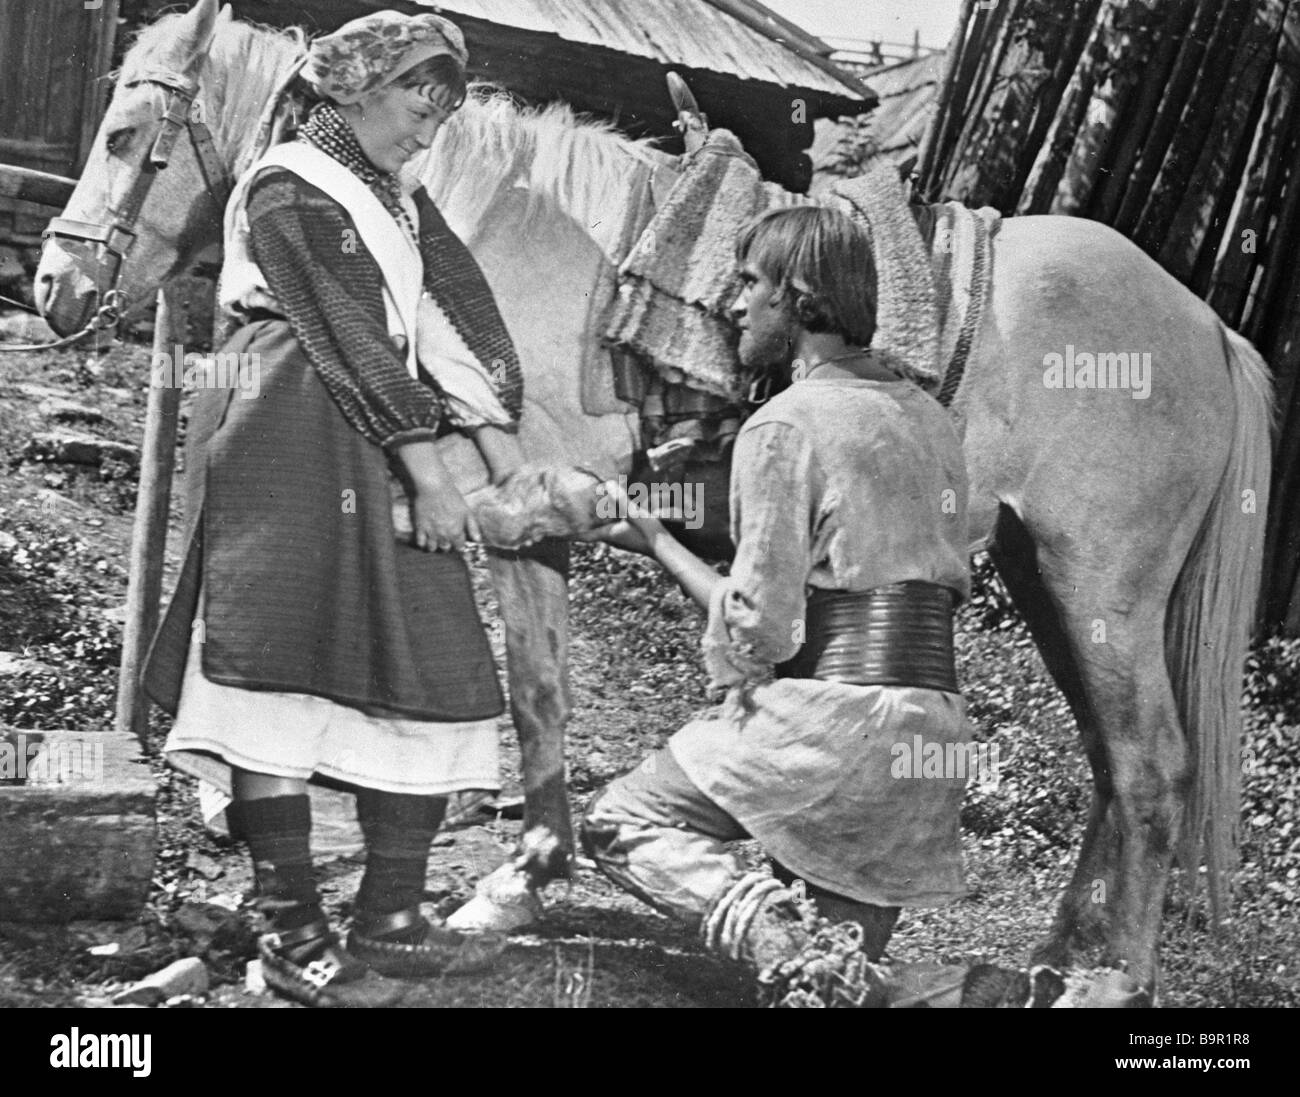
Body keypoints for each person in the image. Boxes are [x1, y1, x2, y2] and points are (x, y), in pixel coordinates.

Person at [143, 11, 525, 1007]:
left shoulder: (398, 199)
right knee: (278, 660)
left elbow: (450, 320)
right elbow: (345, 327)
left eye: (443, 113)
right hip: (287, 427)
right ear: (352, 89)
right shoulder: (287, 183)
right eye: (415, 102)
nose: (427, 128)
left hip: (376, 422)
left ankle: (389, 914)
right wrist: (432, 468)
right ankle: (290, 927)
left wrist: (497, 446)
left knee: (430, 651)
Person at [579, 206, 974, 998]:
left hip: (835, 723)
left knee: (621, 823)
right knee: (827, 991)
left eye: (750, 283)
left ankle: (784, 937)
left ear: (797, 296)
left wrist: (658, 541)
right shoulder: (930, 417)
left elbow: (764, 627)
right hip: (931, 737)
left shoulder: (784, 424)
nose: (733, 303)